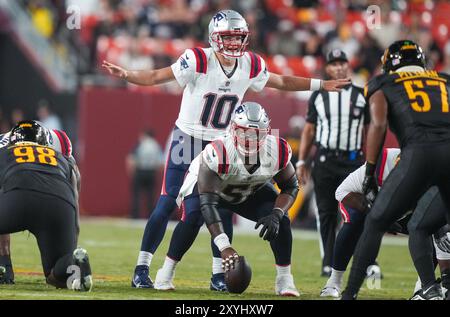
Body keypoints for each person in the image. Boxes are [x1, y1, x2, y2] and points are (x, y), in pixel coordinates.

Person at [103, 9, 350, 290]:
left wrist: (320, 85)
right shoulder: (197, 59)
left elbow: (280, 81)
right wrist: (127, 74)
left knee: (222, 206)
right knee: (169, 202)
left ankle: (219, 274)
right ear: (214, 38)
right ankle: (142, 267)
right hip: (189, 138)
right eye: (228, 37)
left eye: (238, 37)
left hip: (223, 142)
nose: (233, 43)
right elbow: (159, 76)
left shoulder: (251, 64)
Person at [153, 102, 300, 296]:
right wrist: (225, 247)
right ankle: (166, 271)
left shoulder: (277, 149)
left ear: (268, 131)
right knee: (193, 216)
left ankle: (284, 279)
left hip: (245, 189)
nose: (249, 139)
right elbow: (208, 204)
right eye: (244, 132)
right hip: (206, 188)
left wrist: (277, 213)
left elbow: (291, 186)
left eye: (256, 133)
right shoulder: (219, 151)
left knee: (281, 220)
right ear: (233, 129)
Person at [341, 40, 450, 300]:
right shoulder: (445, 80)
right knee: (424, 225)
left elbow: (377, 125)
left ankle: (350, 294)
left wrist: (369, 171)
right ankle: (435, 289)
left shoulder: (383, 83)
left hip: (421, 152)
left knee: (377, 221)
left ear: (389, 64)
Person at [320, 147, 450, 299]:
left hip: (406, 212)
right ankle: (334, 282)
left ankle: (425, 288)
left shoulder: (432, 175)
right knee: (353, 222)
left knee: (434, 228)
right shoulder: (380, 166)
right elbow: (341, 192)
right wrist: (375, 214)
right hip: (370, 206)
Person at [296, 49, 370, 277]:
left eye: (342, 63)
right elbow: (309, 130)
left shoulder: (362, 94)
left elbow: (369, 130)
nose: (338, 67)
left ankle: (366, 262)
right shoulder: (318, 96)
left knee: (360, 211)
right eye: (333, 64)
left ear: (348, 66)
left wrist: (369, 161)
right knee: (326, 214)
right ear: (327, 68)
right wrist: (301, 161)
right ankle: (328, 262)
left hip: (353, 161)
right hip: (325, 159)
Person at [0, 120, 92, 291]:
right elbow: (74, 192)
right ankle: (74, 262)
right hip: (60, 203)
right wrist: (69, 248)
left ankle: (3, 266)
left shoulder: (5, 151)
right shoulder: (61, 153)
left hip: (18, 197)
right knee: (55, 276)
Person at [126, 130, 163, 219]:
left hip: (140, 171)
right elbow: (161, 162)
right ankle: (150, 215)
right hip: (151, 172)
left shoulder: (141, 144)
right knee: (151, 196)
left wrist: (131, 171)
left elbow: (131, 158)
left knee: (136, 196)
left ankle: (135, 216)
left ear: (145, 135)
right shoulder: (156, 146)